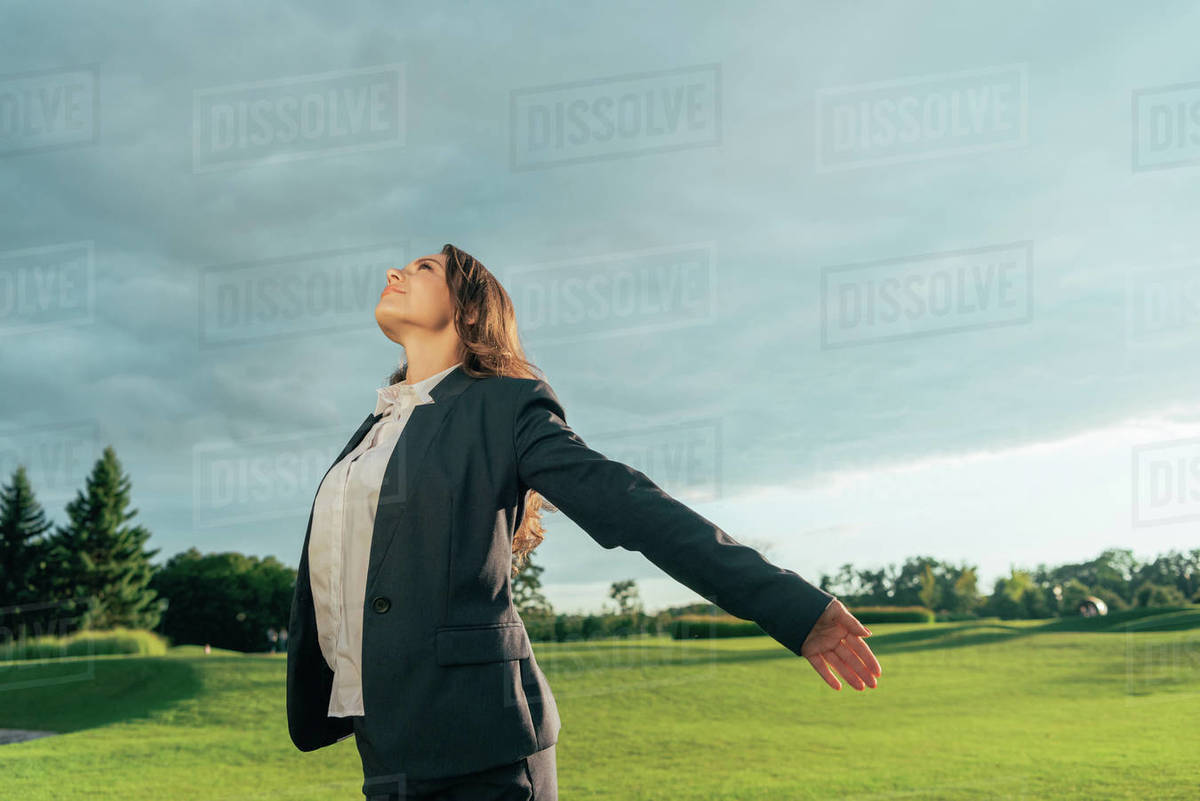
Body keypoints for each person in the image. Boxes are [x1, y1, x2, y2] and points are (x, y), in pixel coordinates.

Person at [286, 244, 882, 800]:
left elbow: (629, 504)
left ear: (470, 314)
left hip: (481, 747)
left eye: (422, 269)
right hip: (387, 749)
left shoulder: (507, 404)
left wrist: (789, 605)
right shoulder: (375, 429)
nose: (395, 273)